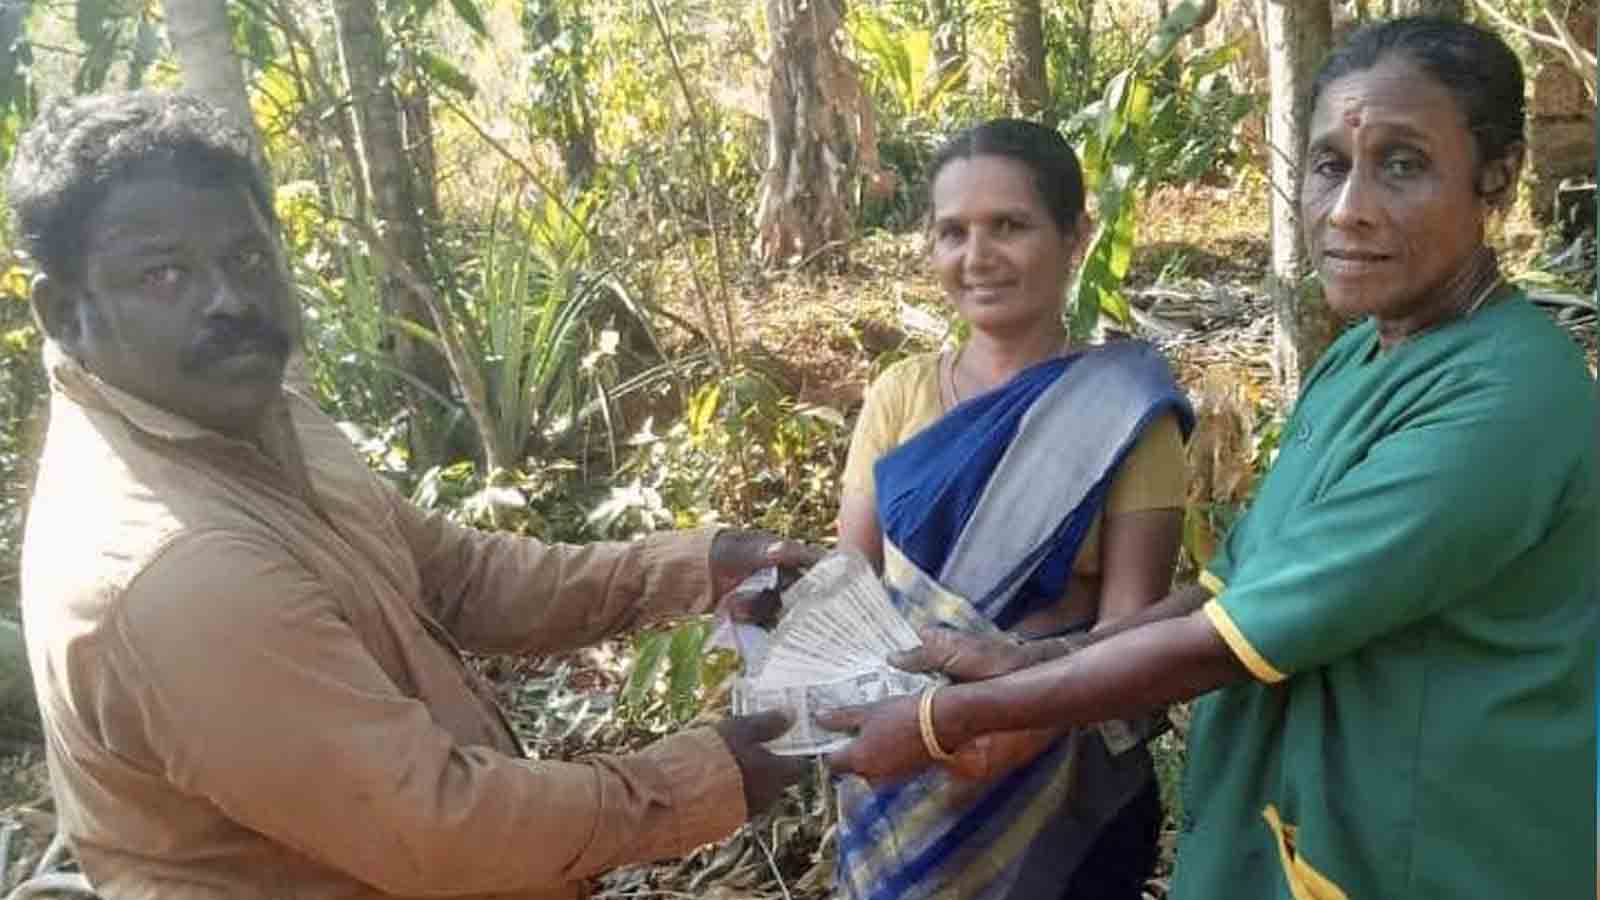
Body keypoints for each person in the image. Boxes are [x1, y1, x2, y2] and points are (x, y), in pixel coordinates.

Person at [820, 18, 1598, 900]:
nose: (1349, 210)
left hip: (1427, 847)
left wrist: (938, 720)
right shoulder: (1362, 356)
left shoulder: (1505, 398)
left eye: (1403, 164)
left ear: (1497, 176)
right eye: (1330, 166)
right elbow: (1239, 584)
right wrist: (1026, 664)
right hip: (1295, 831)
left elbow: (1222, 644)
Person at [10, 90, 816, 900]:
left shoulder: (253, 416)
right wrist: (707, 776)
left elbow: (457, 575)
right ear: (63, 313)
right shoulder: (176, 571)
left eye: (248, 258)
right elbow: (442, 827)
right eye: (163, 275)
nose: (229, 300)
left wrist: (697, 565)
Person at [830, 119, 1193, 900]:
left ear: (1074, 235)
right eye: (952, 232)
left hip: (1059, 790)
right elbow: (846, 593)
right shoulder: (899, 395)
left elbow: (1128, 643)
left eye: (1010, 226)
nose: (977, 256)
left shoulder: (1127, 410)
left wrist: (998, 724)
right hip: (902, 772)